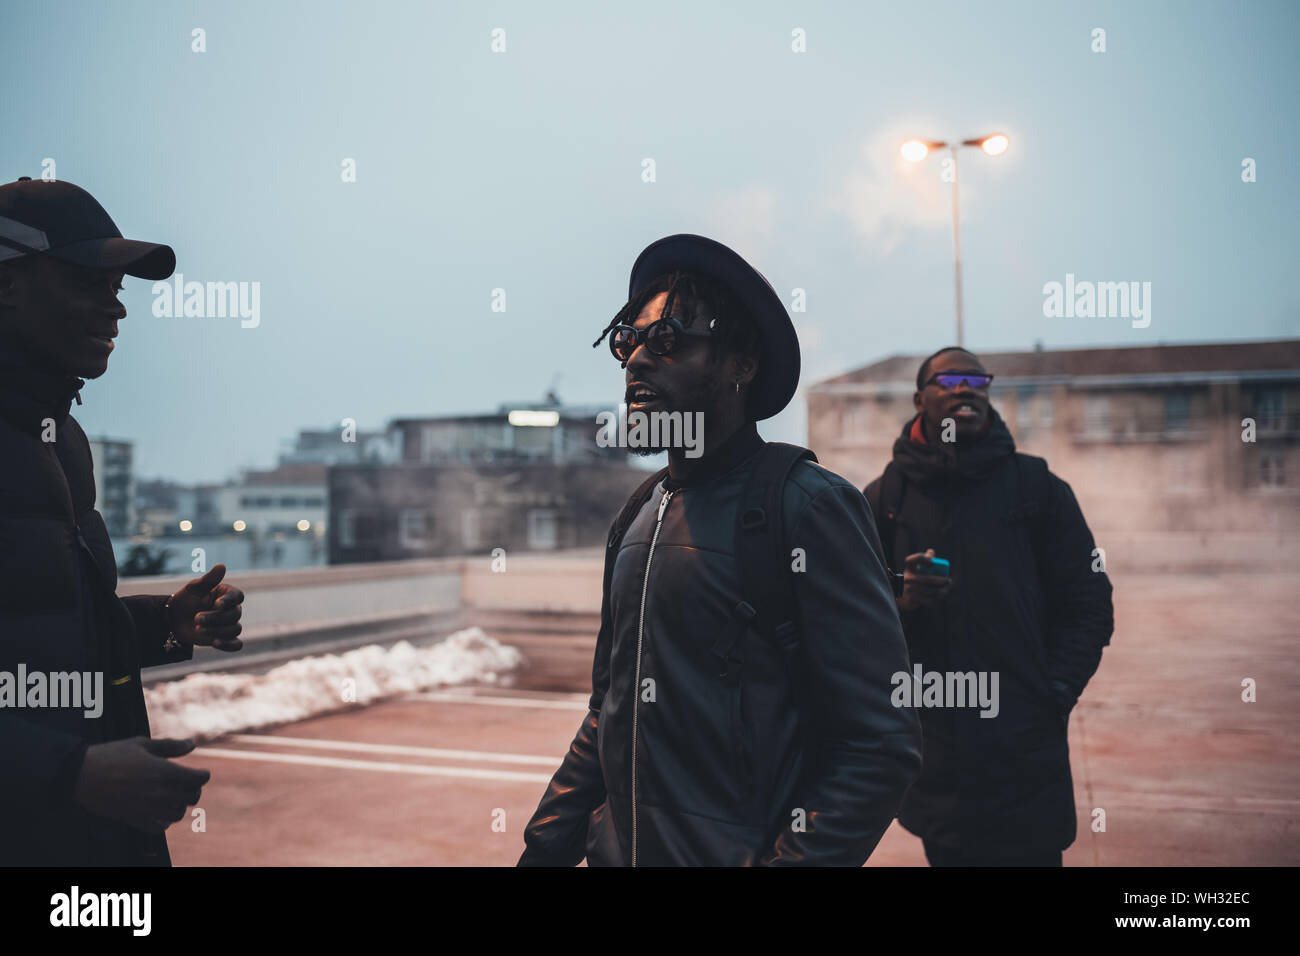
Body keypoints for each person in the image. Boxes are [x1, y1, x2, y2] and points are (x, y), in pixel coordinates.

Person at [519, 234, 921, 866]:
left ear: (740, 364)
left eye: (670, 339)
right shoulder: (638, 512)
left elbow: (879, 743)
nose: (637, 361)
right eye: (630, 340)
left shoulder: (807, 507)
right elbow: (609, 711)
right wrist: (541, 851)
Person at [0, 177, 245, 865]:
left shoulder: (61, 440)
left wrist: (163, 623)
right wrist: (65, 771)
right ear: (6, 285)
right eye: (88, 282)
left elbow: (42, 624)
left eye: (119, 289)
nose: (117, 311)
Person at [863, 345, 1114, 867]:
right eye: (949, 381)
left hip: (1026, 749)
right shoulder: (884, 498)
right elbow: (848, 619)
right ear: (919, 398)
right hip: (938, 751)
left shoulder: (1038, 488)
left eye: (977, 383)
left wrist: (1055, 693)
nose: (964, 391)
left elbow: (1089, 603)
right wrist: (901, 599)